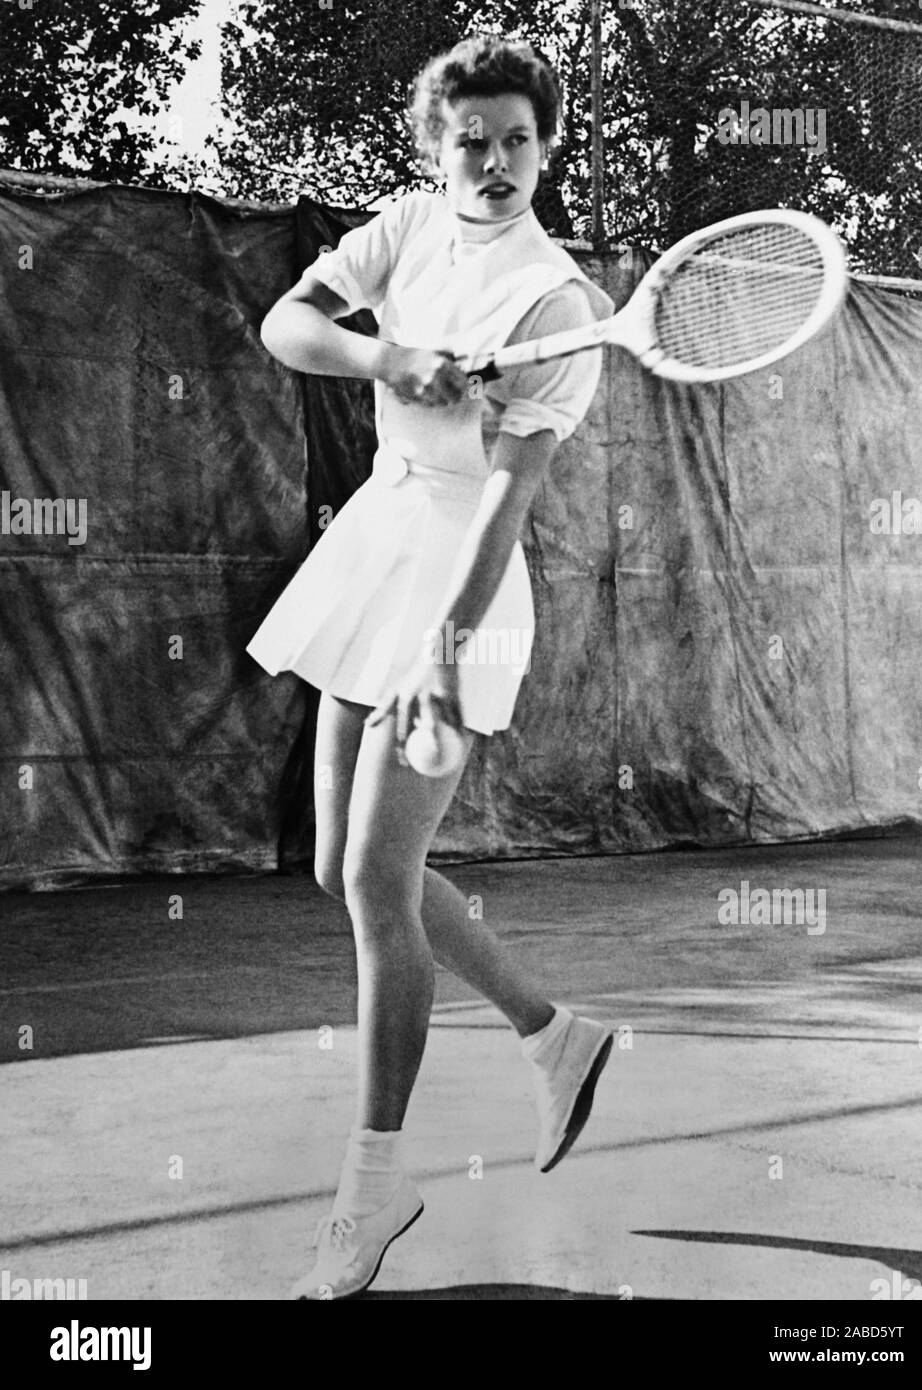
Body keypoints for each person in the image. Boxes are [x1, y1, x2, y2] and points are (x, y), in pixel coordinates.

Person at [246, 32, 616, 1300]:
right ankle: (552, 1033)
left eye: (520, 138)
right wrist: (384, 357)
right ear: (435, 146)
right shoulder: (402, 229)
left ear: (547, 145)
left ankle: (373, 1181)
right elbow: (287, 323)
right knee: (337, 872)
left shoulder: (558, 307)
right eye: (474, 139)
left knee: (374, 872)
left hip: (463, 579)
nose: (498, 160)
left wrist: (446, 656)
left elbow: (509, 497)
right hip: (377, 536)